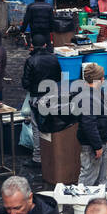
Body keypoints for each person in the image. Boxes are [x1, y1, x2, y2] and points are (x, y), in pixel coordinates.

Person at [22, 34, 63, 164]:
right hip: (52, 95)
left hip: (37, 97)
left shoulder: (31, 61)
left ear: (32, 46)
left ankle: (38, 157)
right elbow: (59, 77)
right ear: (45, 45)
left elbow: (25, 83)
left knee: (37, 127)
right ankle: (53, 153)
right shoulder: (54, 58)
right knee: (52, 125)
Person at [76, 63, 107, 187]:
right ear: (100, 79)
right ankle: (82, 202)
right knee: (89, 177)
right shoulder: (88, 97)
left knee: (102, 176)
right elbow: (88, 124)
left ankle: (103, 201)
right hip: (93, 145)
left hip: (102, 140)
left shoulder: (94, 93)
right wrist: (97, 146)